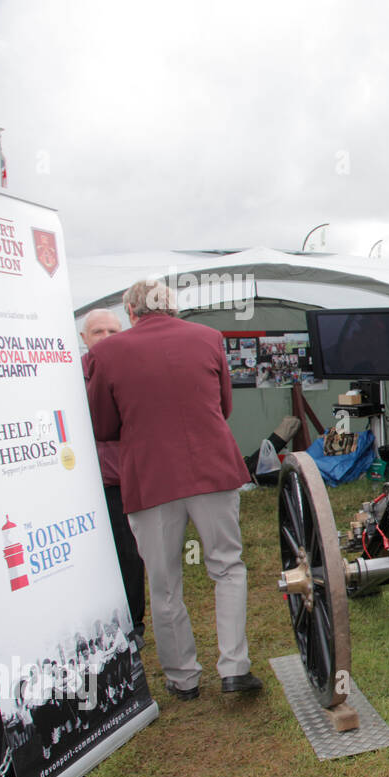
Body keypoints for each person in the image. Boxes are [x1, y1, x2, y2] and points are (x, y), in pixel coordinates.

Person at [85, 279, 261, 701]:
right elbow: (223, 406)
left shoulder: (105, 353)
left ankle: (183, 677)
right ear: (172, 306)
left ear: (131, 312)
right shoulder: (208, 337)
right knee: (228, 568)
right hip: (212, 469)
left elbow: (103, 427)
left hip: (151, 478)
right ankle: (234, 666)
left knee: (163, 583)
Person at [80, 309, 146, 651]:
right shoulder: (71, 375)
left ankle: (134, 624)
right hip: (82, 481)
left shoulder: (132, 370)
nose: (106, 337)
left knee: (129, 554)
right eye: (98, 332)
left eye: (112, 331)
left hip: (122, 478)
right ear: (84, 338)